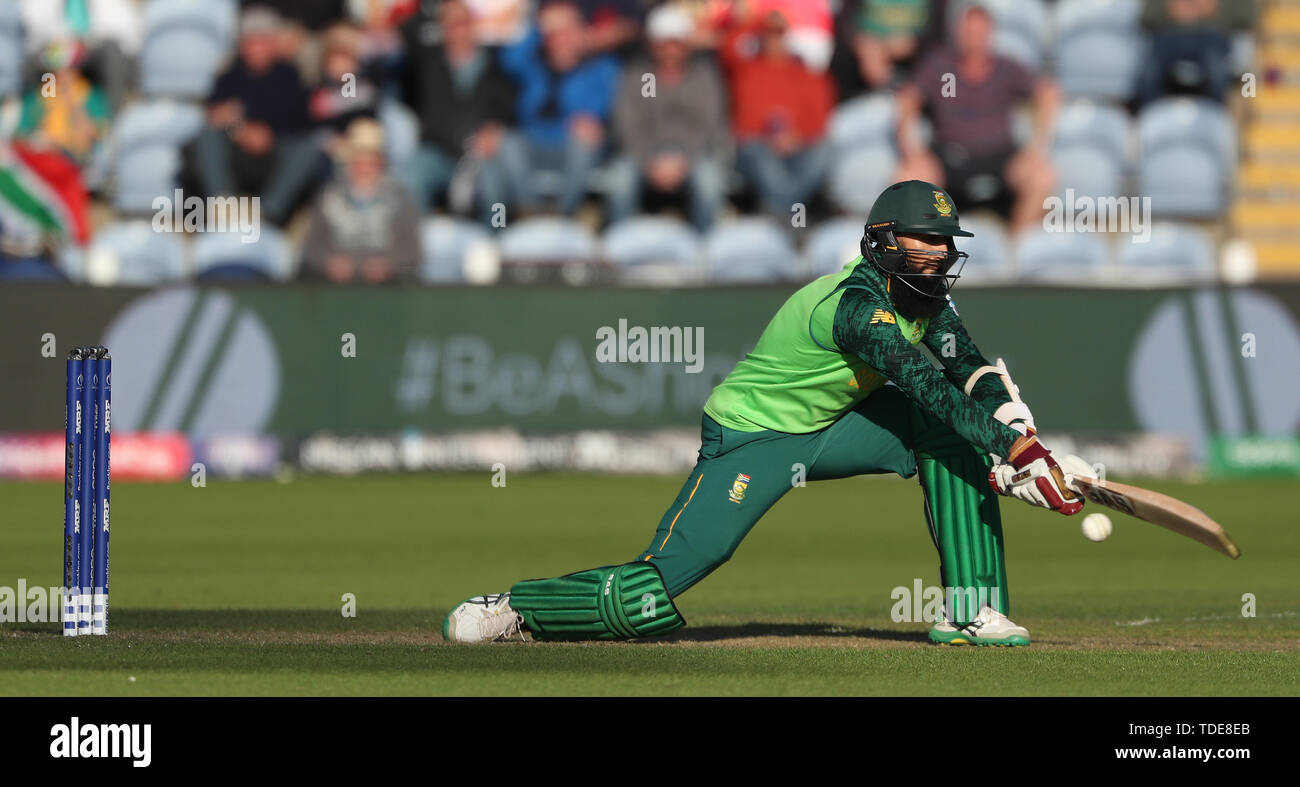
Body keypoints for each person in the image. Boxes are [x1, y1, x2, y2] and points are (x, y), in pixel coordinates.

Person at [443, 180, 1093, 647]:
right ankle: (517, 607)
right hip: (755, 435)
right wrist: (1014, 453)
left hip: (836, 427)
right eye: (928, 243)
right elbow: (924, 381)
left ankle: (973, 609)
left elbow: (969, 369)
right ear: (886, 243)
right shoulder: (855, 307)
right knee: (655, 591)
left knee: (947, 434)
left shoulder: (926, 301)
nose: (942, 256)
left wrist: (1015, 423)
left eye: (947, 244)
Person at [893, 2, 1059, 235]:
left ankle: (1015, 252)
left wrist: (1037, 146)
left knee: (1042, 177)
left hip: (1001, 157)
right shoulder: (939, 66)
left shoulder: (1006, 68)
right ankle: (930, 254)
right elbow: (907, 99)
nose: (973, 39)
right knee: (907, 178)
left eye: (979, 33)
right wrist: (912, 150)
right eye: (968, 32)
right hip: (949, 158)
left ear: (990, 34)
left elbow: (1048, 93)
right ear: (957, 34)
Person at [189, 6, 323, 227]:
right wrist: (239, 130)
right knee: (205, 137)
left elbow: (302, 122)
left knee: (309, 149)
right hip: (238, 154)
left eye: (262, 41)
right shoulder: (229, 76)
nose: (255, 48)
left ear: (272, 44)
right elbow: (213, 115)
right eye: (250, 41)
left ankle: (269, 212)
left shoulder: (290, 75)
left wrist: (269, 134)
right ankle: (223, 206)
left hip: (274, 154)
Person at [604, 4, 729, 231]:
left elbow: (709, 125)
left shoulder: (703, 76)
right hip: (646, 154)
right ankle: (617, 246)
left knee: (710, 183)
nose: (670, 51)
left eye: (676, 43)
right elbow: (628, 123)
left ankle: (704, 250)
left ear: (686, 45)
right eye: (663, 44)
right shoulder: (640, 76)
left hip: (692, 155)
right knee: (619, 181)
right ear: (652, 45)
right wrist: (650, 160)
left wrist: (682, 161)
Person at [397, 0, 515, 223]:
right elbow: (405, 31)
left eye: (464, 22)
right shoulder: (426, 63)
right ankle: (417, 247)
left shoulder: (496, 66)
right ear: (441, 28)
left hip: (479, 155)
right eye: (452, 24)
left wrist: (495, 129)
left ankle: (491, 244)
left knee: (495, 193)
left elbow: (507, 109)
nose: (459, 30)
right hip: (438, 151)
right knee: (411, 178)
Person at [499, 1, 621, 215]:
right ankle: (530, 211)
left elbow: (610, 107)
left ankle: (565, 214)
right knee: (508, 142)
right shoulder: (534, 68)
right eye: (554, 34)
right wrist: (538, 25)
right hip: (536, 143)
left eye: (567, 33)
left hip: (574, 146)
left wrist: (596, 123)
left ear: (582, 34)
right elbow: (508, 58)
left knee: (584, 144)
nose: (561, 41)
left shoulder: (601, 68)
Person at [721, 9, 835, 220]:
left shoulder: (807, 73)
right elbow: (728, 47)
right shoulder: (746, 70)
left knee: (824, 150)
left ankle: (778, 213)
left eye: (780, 33)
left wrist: (796, 137)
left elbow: (820, 120)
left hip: (797, 147)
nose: (774, 40)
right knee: (754, 151)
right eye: (769, 34)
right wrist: (757, 22)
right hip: (759, 147)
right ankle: (790, 217)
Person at [300, 118, 420, 284]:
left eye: (371, 162)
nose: (365, 169)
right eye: (359, 162)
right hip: (334, 289)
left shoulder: (400, 197)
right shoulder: (328, 195)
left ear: (381, 163)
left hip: (387, 290)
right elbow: (311, 247)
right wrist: (329, 262)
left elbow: (413, 251)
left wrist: (389, 264)